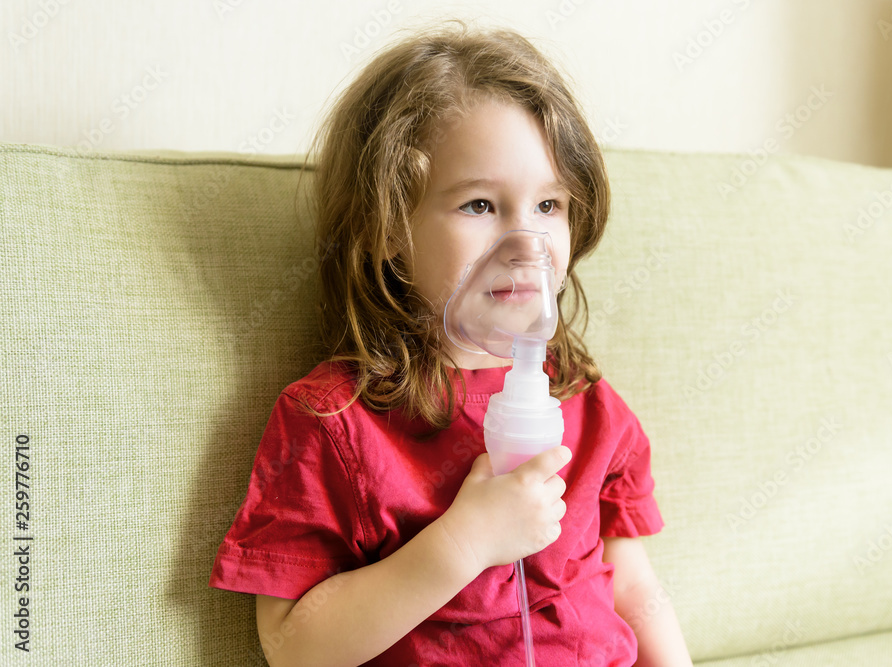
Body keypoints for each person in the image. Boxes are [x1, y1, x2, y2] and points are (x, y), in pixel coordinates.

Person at [209, 18, 693, 667]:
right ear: (387, 228)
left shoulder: (588, 403)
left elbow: (632, 584)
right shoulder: (334, 422)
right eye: (479, 206)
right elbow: (294, 646)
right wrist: (463, 542)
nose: (526, 243)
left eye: (549, 205)